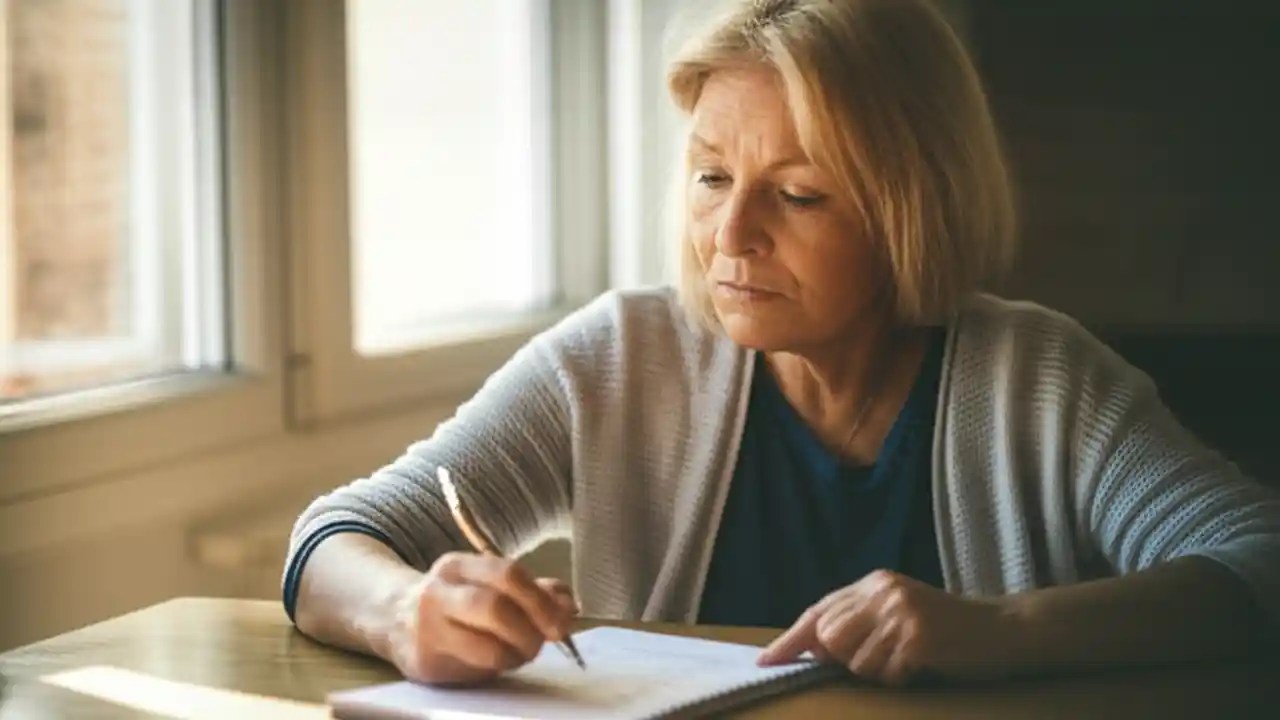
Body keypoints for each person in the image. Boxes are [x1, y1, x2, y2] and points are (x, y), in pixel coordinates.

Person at [283, 0, 1280, 687]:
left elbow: (1258, 561)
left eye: (797, 194)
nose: (729, 234)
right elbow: (333, 541)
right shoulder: (619, 359)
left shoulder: (1039, 384)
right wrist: (404, 612)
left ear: (909, 211)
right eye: (712, 178)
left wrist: (1002, 630)